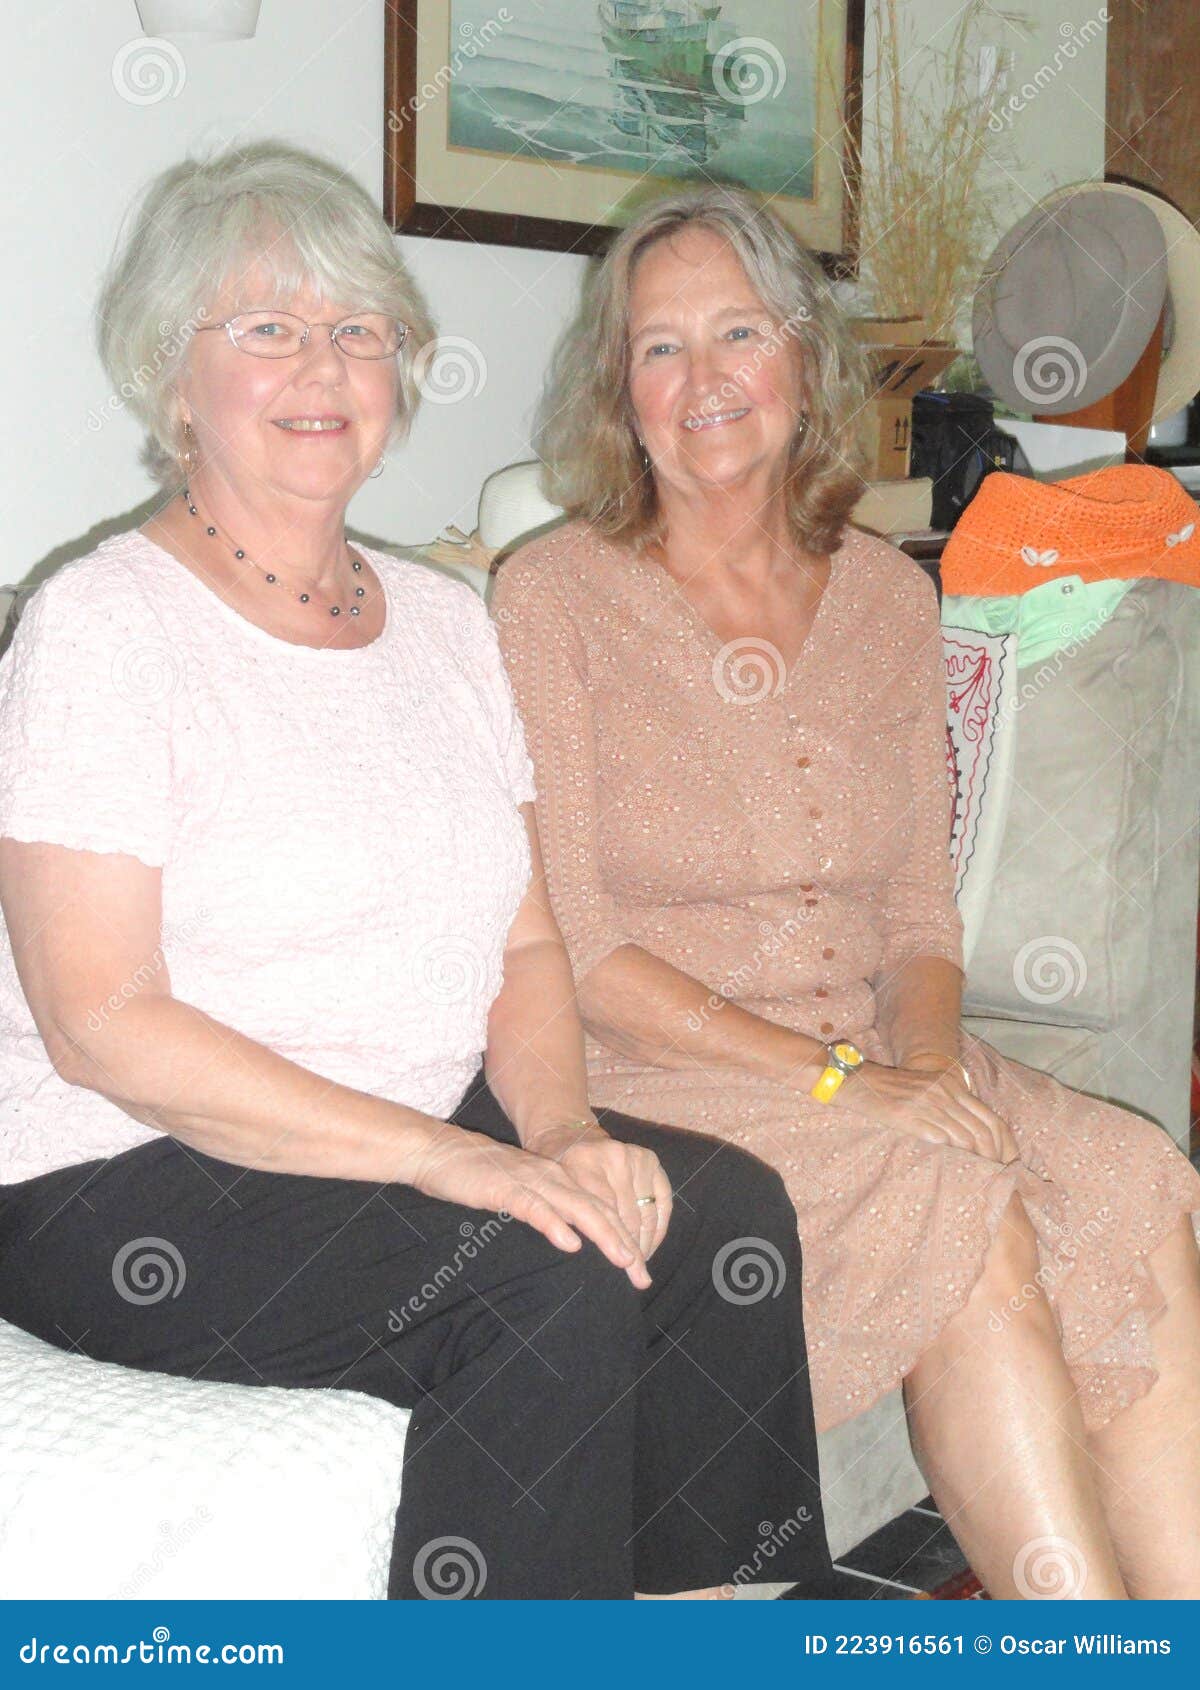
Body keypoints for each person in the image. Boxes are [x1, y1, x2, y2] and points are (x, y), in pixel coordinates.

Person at [0, 145, 839, 1601]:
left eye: (359, 329)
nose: (322, 363)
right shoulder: (102, 628)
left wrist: (562, 1125)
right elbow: (104, 1023)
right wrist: (468, 1162)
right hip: (122, 1169)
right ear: (171, 375)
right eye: (265, 326)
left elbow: (522, 946)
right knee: (550, 1272)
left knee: (717, 1216)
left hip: (393, 1109)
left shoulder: (449, 622)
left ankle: (719, 1629)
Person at [492, 184, 1200, 1600]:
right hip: (674, 1068)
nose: (703, 383)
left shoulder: (885, 596)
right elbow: (578, 947)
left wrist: (926, 1062)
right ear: (617, 390)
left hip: (868, 1050)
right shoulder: (551, 598)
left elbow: (915, 916)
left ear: (803, 362)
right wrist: (845, 1086)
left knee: (1135, 1181)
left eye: (738, 334)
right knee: (959, 1193)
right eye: (660, 347)